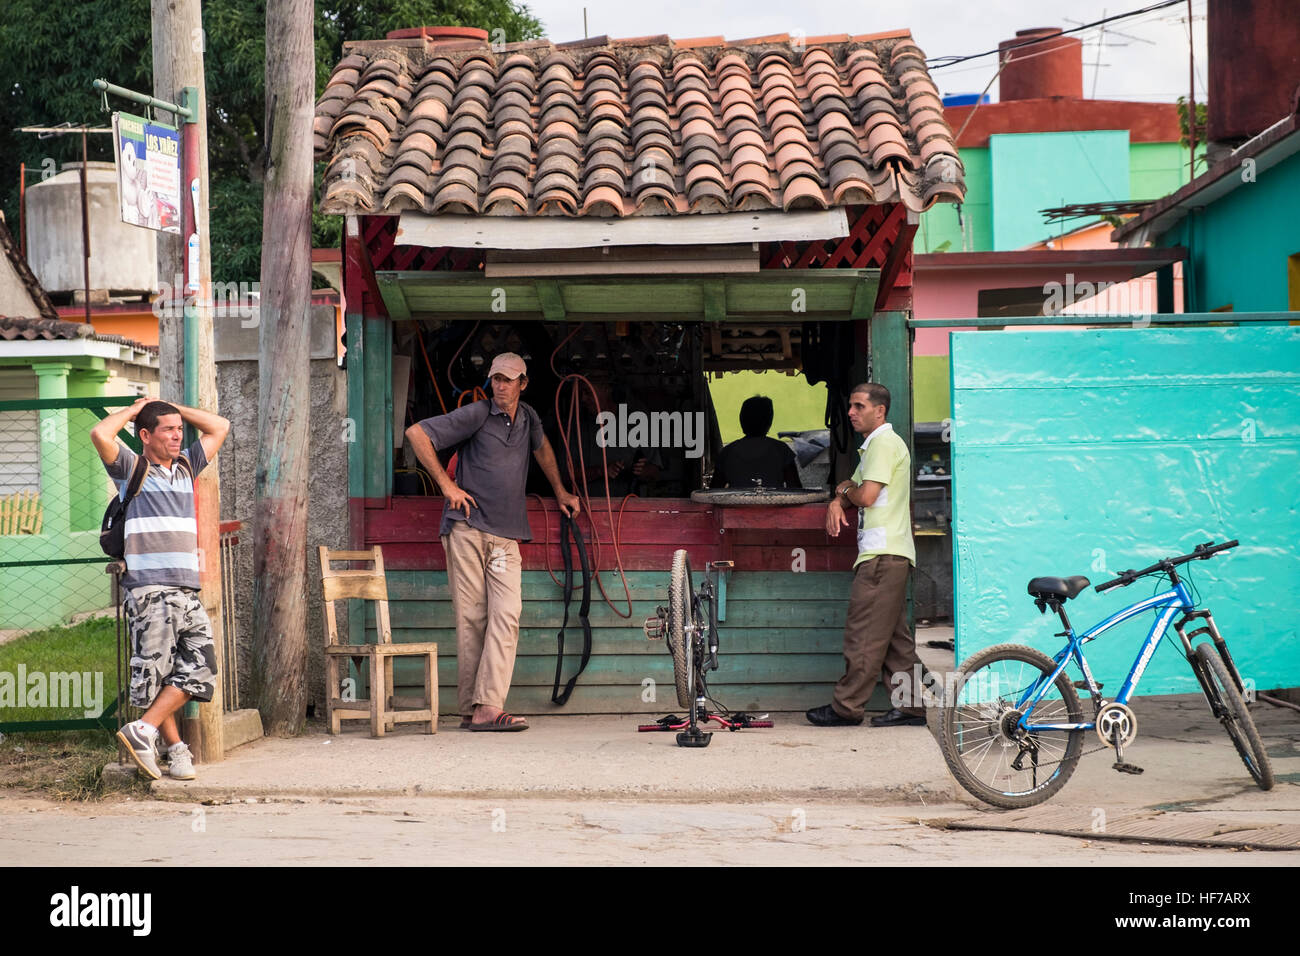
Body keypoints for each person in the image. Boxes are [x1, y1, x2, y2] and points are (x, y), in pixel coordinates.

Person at [405, 353, 580, 732]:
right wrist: (447, 486)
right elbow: (417, 434)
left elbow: (543, 449)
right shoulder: (477, 414)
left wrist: (561, 490)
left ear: (523, 383)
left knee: (507, 613)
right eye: (496, 379)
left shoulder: (529, 418)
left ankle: (483, 706)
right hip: (467, 529)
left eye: (508, 379)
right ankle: (476, 710)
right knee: (472, 619)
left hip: (505, 536)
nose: (501, 385)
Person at [91, 397, 230, 779]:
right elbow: (100, 432)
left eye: (179, 430)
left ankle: (144, 730)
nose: (176, 435)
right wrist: (136, 411)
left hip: (186, 588)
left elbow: (220, 426)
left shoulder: (186, 465)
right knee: (154, 672)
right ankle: (174, 748)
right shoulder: (131, 468)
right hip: (149, 588)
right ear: (145, 436)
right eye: (167, 430)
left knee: (200, 667)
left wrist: (175, 410)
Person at [806, 383, 927, 728]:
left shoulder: (883, 443)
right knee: (893, 639)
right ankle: (911, 705)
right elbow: (847, 487)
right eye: (850, 406)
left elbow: (865, 495)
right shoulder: (875, 446)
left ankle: (846, 707)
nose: (850, 412)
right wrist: (839, 496)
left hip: (882, 555)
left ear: (880, 411)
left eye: (859, 406)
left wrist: (845, 492)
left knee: (863, 634)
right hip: (890, 553)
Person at [712, 395, 801, 489]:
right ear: (769, 422)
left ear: (742, 420)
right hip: (774, 503)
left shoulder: (727, 452)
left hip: (736, 503)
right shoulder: (782, 450)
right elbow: (796, 489)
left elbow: (713, 491)